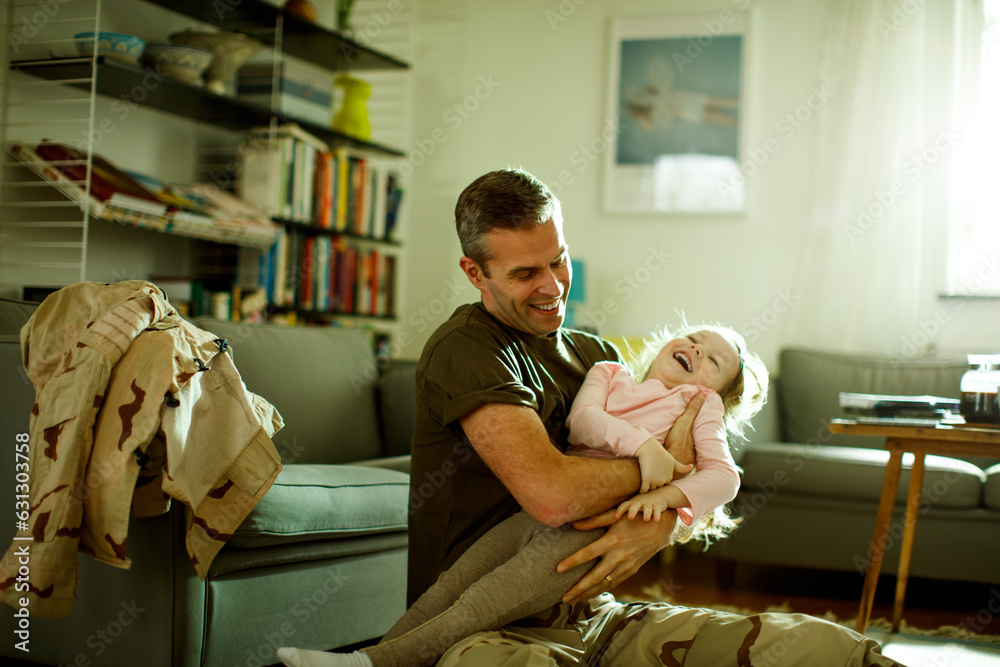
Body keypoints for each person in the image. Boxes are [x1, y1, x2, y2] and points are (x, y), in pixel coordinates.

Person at [278, 168, 905, 667]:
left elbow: (698, 483)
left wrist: (661, 526)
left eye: (559, 260)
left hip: (596, 616)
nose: (553, 285)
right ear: (475, 273)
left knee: (830, 651)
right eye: (525, 273)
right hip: (484, 632)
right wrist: (657, 469)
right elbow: (553, 497)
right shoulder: (466, 349)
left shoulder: (596, 356)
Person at [278, 320, 767, 667]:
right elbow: (584, 421)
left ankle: (370, 664)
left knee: (483, 601)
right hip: (547, 505)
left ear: (718, 395)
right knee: (452, 585)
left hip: (588, 530)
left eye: (714, 360)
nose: (697, 350)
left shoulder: (696, 405)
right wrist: (645, 450)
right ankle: (371, 658)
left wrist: (664, 500)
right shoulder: (607, 372)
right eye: (695, 338)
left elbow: (726, 479)